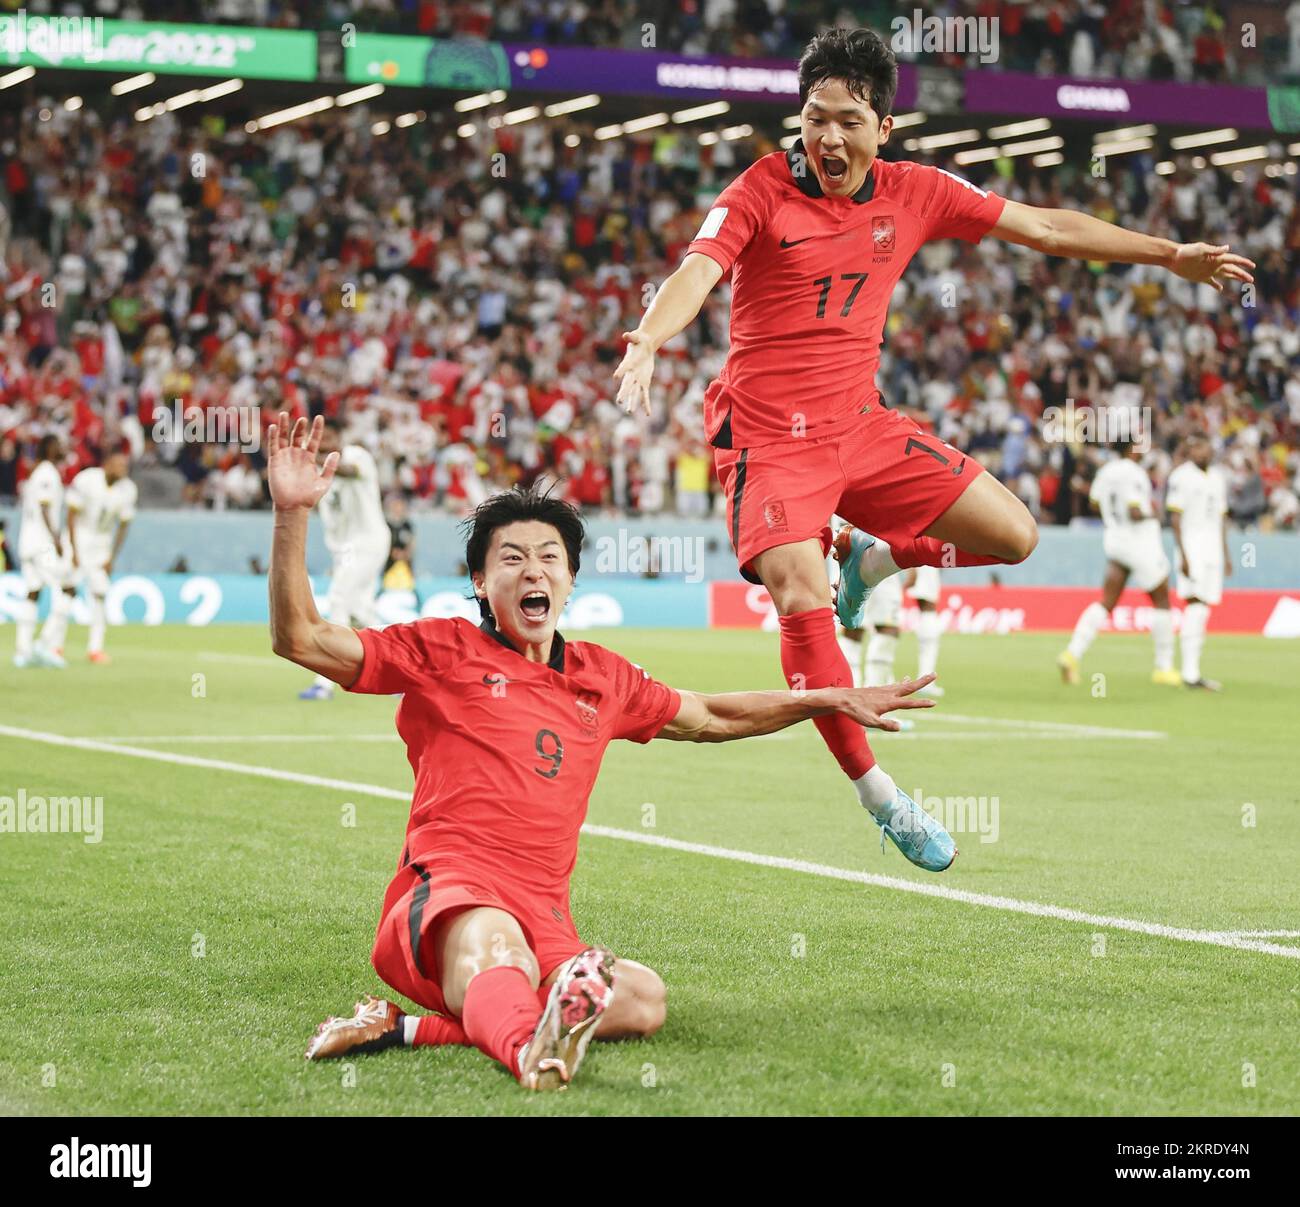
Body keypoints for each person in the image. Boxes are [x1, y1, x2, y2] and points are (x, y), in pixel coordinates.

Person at [614, 27, 1252, 867]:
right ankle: (880, 793)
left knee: (1014, 534)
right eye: (813, 118)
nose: (827, 137)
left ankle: (871, 564)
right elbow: (698, 269)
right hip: (770, 440)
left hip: (861, 425)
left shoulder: (917, 190)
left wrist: (1168, 254)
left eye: (847, 120)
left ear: (885, 127)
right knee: (797, 589)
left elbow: (1046, 228)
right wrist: (651, 338)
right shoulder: (760, 187)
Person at [266, 414, 935, 1091]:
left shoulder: (603, 677)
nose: (534, 570)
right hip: (451, 893)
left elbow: (709, 715)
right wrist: (291, 514)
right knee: (497, 950)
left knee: (643, 998)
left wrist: (825, 698)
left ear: (570, 581)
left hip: (545, 911)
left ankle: (406, 1026)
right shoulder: (441, 650)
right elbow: (302, 638)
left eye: (550, 557)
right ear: (479, 583)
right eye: (512, 558)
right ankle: (534, 1054)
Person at [1057, 439, 1179, 685]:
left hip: (1115, 540)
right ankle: (1163, 668)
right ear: (1131, 448)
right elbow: (1135, 511)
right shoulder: (1133, 473)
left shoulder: (1106, 472)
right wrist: (1153, 514)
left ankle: (1072, 654)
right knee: (1162, 599)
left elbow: (1094, 503)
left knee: (1106, 602)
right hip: (1139, 542)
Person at [298, 418, 391, 700]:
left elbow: (348, 471)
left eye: (327, 438)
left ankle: (324, 683)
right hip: (345, 550)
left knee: (338, 599)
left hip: (367, 542)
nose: (323, 444)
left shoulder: (355, 456)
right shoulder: (316, 470)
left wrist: (313, 456)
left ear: (338, 437)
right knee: (361, 612)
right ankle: (407, 668)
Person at [1166, 432, 1230, 690]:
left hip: (1213, 549)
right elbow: (1175, 519)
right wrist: (1183, 554)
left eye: (1204, 447)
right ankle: (1190, 673)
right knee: (1195, 605)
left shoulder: (1218, 477)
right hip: (1192, 548)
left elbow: (1222, 517)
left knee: (1203, 608)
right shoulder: (1181, 477)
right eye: (1196, 447)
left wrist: (1226, 554)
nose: (1201, 452)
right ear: (1190, 451)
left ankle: (1193, 671)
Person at [63, 450, 137, 664]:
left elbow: (123, 526)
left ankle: (95, 648)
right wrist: (73, 549)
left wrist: (112, 557)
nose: (124, 469)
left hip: (102, 545)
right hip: (79, 537)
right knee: (67, 591)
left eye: (126, 465)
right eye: (120, 464)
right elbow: (71, 514)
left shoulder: (128, 490)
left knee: (100, 594)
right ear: (108, 464)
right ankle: (55, 644)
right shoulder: (87, 479)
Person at [13, 434, 73, 669]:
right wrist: (56, 539)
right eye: (58, 445)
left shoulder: (35, 472)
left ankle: (22, 651)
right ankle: (44, 645)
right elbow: (45, 507)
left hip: (27, 542)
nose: (62, 448)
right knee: (67, 588)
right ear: (49, 448)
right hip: (43, 544)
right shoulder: (48, 471)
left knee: (33, 591)